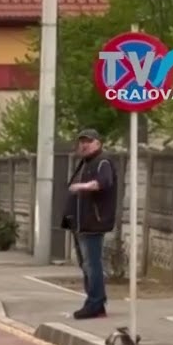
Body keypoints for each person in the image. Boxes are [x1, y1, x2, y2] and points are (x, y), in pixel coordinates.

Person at [63, 128, 119, 320]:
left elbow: (103, 182)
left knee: (92, 264)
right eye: (81, 141)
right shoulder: (85, 163)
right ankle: (95, 303)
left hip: (93, 222)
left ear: (98, 143)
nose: (84, 145)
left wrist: (82, 186)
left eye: (88, 141)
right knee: (86, 264)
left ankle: (95, 303)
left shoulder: (102, 161)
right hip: (81, 223)